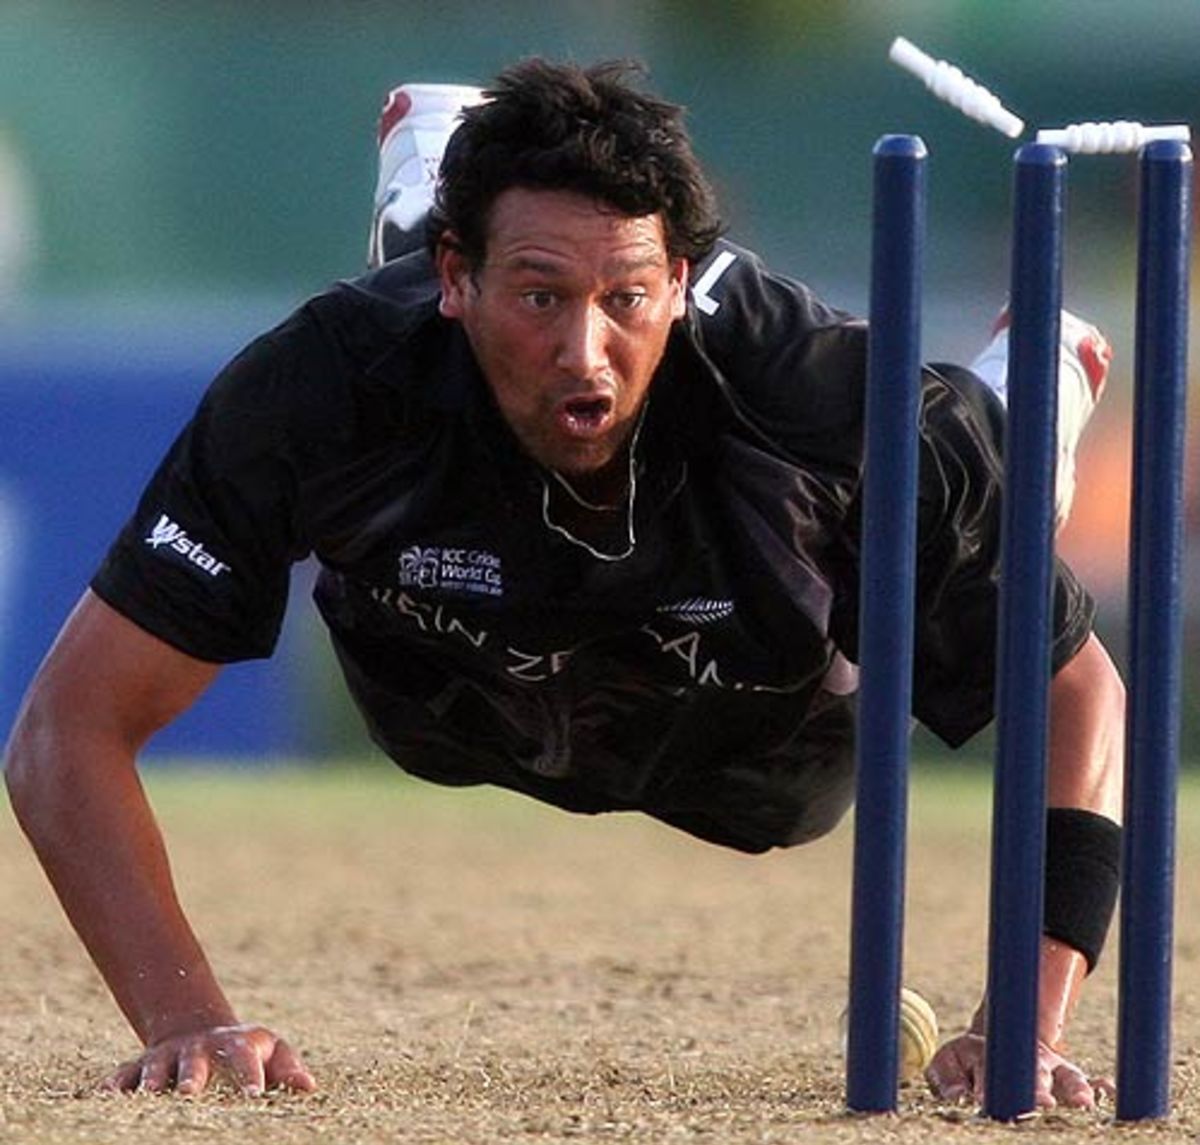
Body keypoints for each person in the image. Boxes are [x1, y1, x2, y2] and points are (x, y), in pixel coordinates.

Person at [3, 58, 1123, 1109]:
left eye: (626, 299)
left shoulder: (821, 401)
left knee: (976, 475)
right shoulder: (319, 387)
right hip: (454, 693)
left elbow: (1083, 699)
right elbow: (64, 730)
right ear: (459, 274)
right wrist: (186, 1016)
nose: (587, 352)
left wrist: (1025, 1023)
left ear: (678, 283)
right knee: (418, 356)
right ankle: (428, 207)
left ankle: (1031, 402)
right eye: (540, 297)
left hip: (756, 720)